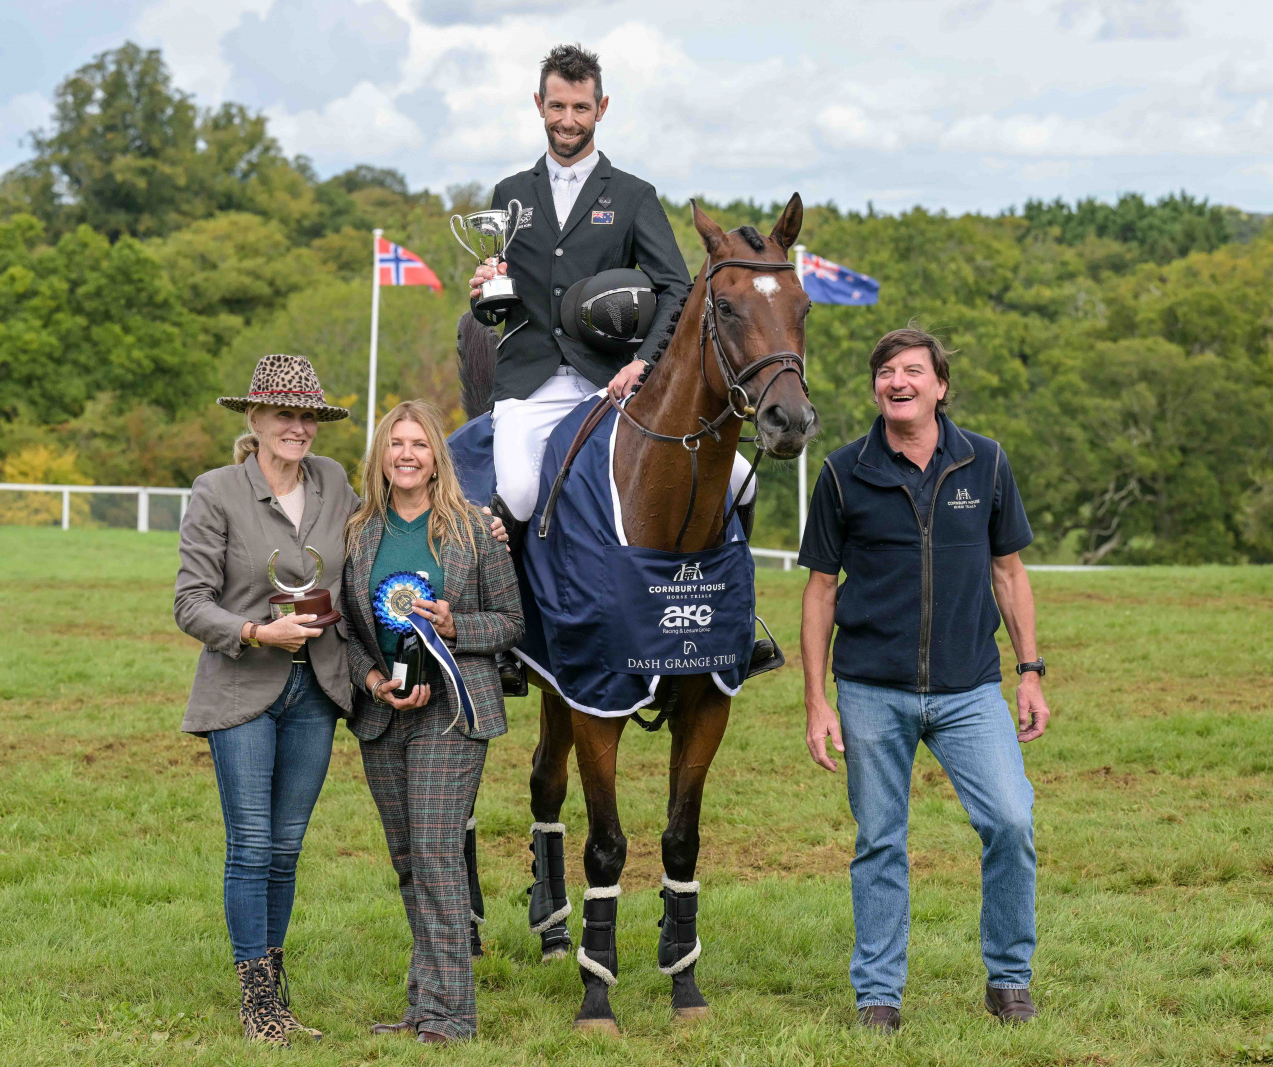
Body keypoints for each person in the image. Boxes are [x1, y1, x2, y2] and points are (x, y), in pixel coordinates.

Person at [798, 327, 1052, 1031]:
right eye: (885, 371)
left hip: (971, 688)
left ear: (940, 385)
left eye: (912, 370)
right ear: (876, 388)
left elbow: (1010, 571)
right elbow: (821, 590)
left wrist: (1029, 671)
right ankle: (878, 995)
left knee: (1011, 819)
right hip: (870, 689)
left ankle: (1009, 979)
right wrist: (817, 698)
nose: (896, 380)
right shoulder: (843, 472)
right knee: (880, 839)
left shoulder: (986, 462)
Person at [468, 43, 758, 532]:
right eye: (557, 106)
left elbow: (677, 290)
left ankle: (724, 593)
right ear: (538, 104)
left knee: (741, 478)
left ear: (601, 109)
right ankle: (514, 609)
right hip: (528, 384)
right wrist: (483, 294)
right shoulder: (510, 193)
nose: (568, 119)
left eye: (581, 108)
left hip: (613, 382)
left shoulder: (633, 195)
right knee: (516, 495)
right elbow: (494, 311)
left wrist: (643, 364)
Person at [173, 353, 356, 1047]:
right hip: (244, 687)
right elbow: (190, 603)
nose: (299, 427)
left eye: (308, 415)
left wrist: (476, 527)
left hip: (319, 687)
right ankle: (256, 1001)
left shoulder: (335, 480)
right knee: (250, 844)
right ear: (253, 416)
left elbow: (377, 541)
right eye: (285, 413)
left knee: (286, 847)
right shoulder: (216, 490)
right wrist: (255, 630)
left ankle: (276, 992)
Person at [343, 400, 524, 1044]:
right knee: (408, 861)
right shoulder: (359, 530)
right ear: (381, 456)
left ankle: (455, 1014)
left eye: (419, 443)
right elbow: (349, 628)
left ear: (436, 456)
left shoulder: (474, 529)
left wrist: (454, 625)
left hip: (454, 714)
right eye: (396, 444)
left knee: (439, 855)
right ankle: (424, 1006)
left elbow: (510, 621)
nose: (407, 454)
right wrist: (372, 680)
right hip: (383, 714)